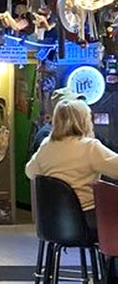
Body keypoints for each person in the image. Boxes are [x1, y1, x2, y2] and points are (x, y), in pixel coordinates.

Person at [25, 98, 118, 237]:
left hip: (51, 222)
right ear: (83, 120)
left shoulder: (46, 146)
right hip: (85, 221)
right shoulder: (89, 147)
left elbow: (30, 172)